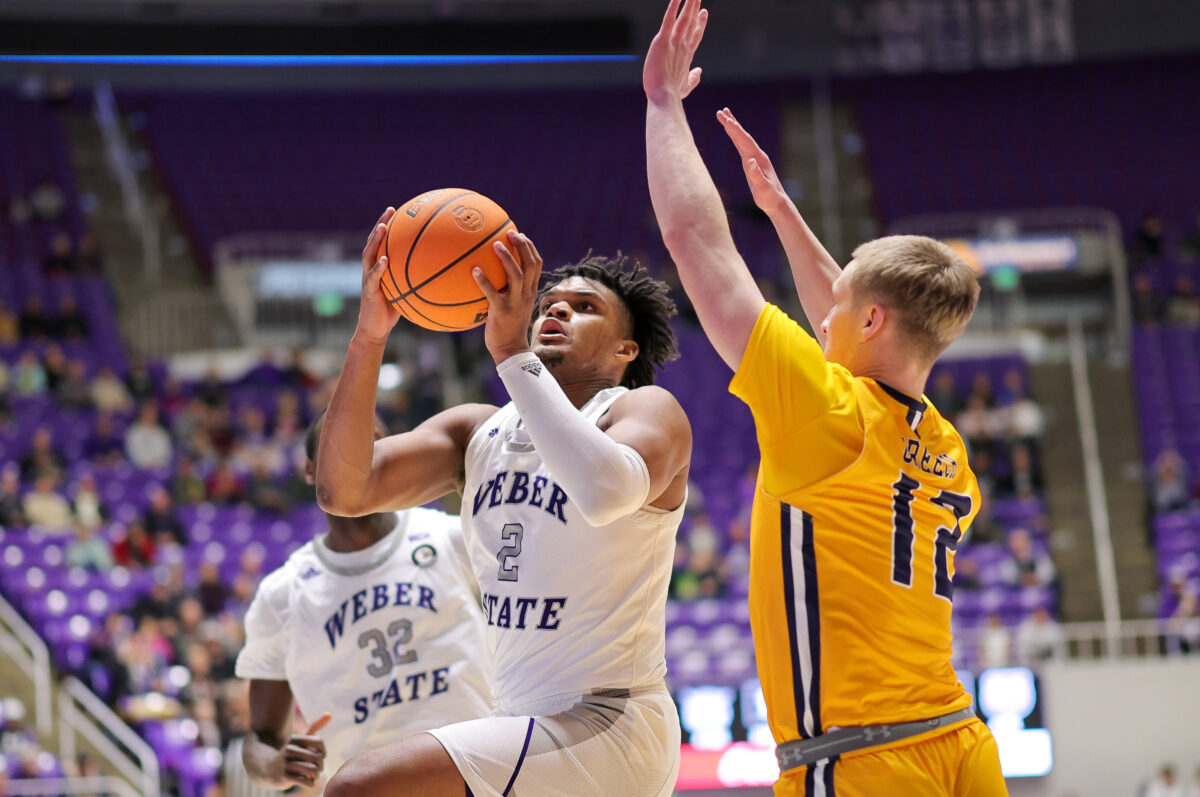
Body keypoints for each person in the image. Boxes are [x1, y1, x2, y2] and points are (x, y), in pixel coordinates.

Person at [643, 1, 1004, 793]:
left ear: (871, 320)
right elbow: (850, 314)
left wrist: (665, 107)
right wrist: (779, 209)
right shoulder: (945, 447)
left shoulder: (830, 416)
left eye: (840, 306)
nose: (824, 308)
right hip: (960, 741)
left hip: (864, 758)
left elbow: (696, 243)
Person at [319, 212, 691, 797]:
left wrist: (514, 353)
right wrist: (369, 336)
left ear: (626, 347)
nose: (558, 309)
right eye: (551, 302)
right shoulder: (475, 432)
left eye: (585, 306)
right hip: (524, 724)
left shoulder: (642, 409)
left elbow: (605, 494)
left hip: (608, 721)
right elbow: (343, 489)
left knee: (360, 787)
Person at [236, 412, 493, 792]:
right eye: (340, 442)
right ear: (311, 470)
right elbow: (260, 737)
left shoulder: (451, 537)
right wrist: (276, 766)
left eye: (372, 442)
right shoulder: (282, 593)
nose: (357, 453)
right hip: (367, 787)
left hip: (477, 774)